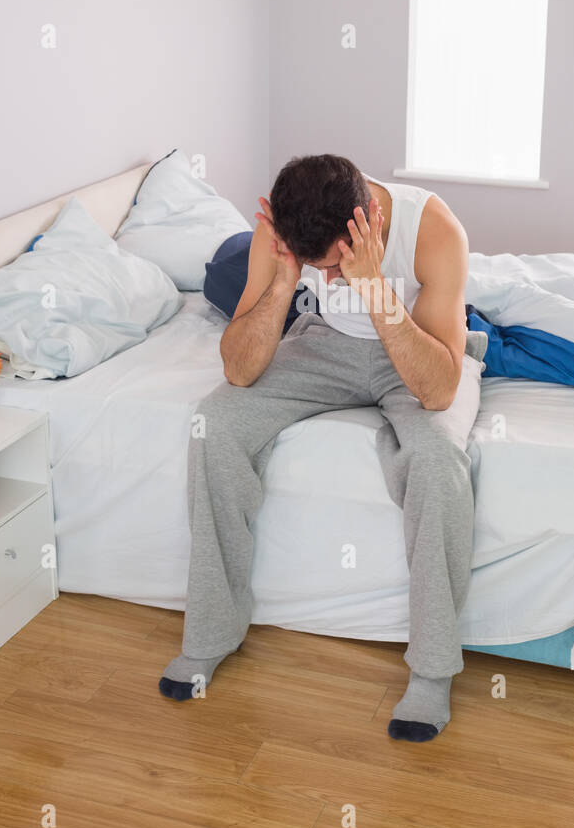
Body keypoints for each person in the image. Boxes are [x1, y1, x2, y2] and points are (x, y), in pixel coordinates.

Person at [159, 153, 487, 741]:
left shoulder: (433, 229)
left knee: (437, 461)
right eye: (320, 270)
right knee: (215, 424)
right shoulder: (282, 234)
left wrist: (370, 285)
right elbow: (238, 370)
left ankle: (433, 672)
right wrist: (286, 280)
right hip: (322, 346)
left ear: (364, 225)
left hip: (416, 351)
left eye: (333, 268)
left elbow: (438, 390)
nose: (327, 281)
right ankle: (212, 634)